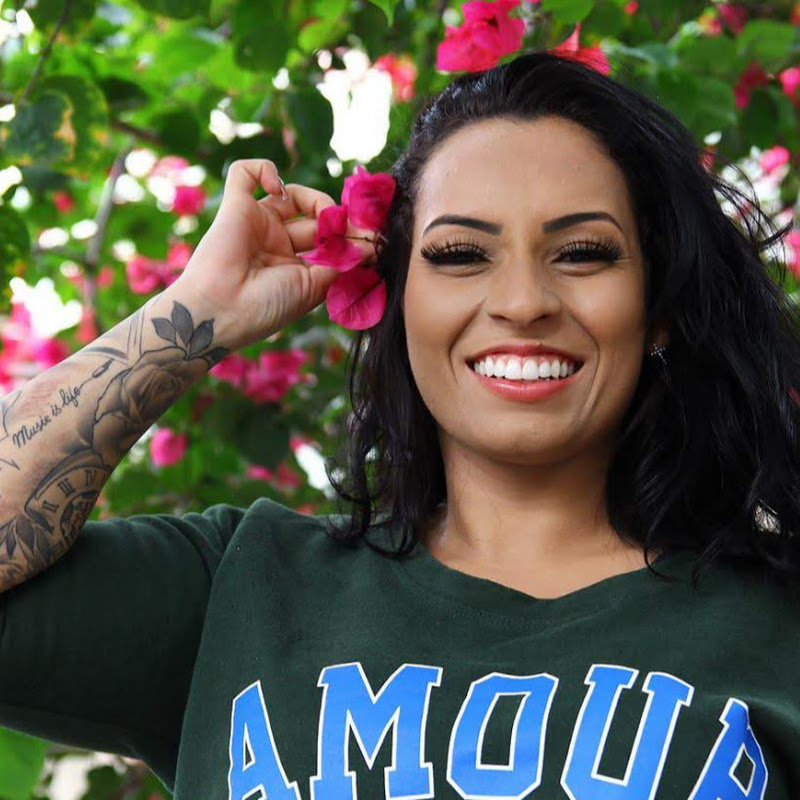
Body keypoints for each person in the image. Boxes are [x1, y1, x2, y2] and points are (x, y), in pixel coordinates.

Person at [1, 49, 800, 800]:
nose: (524, 302)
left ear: (657, 308)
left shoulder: (775, 626)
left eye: (584, 252)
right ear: (395, 299)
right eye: (459, 254)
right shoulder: (240, 587)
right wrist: (197, 312)